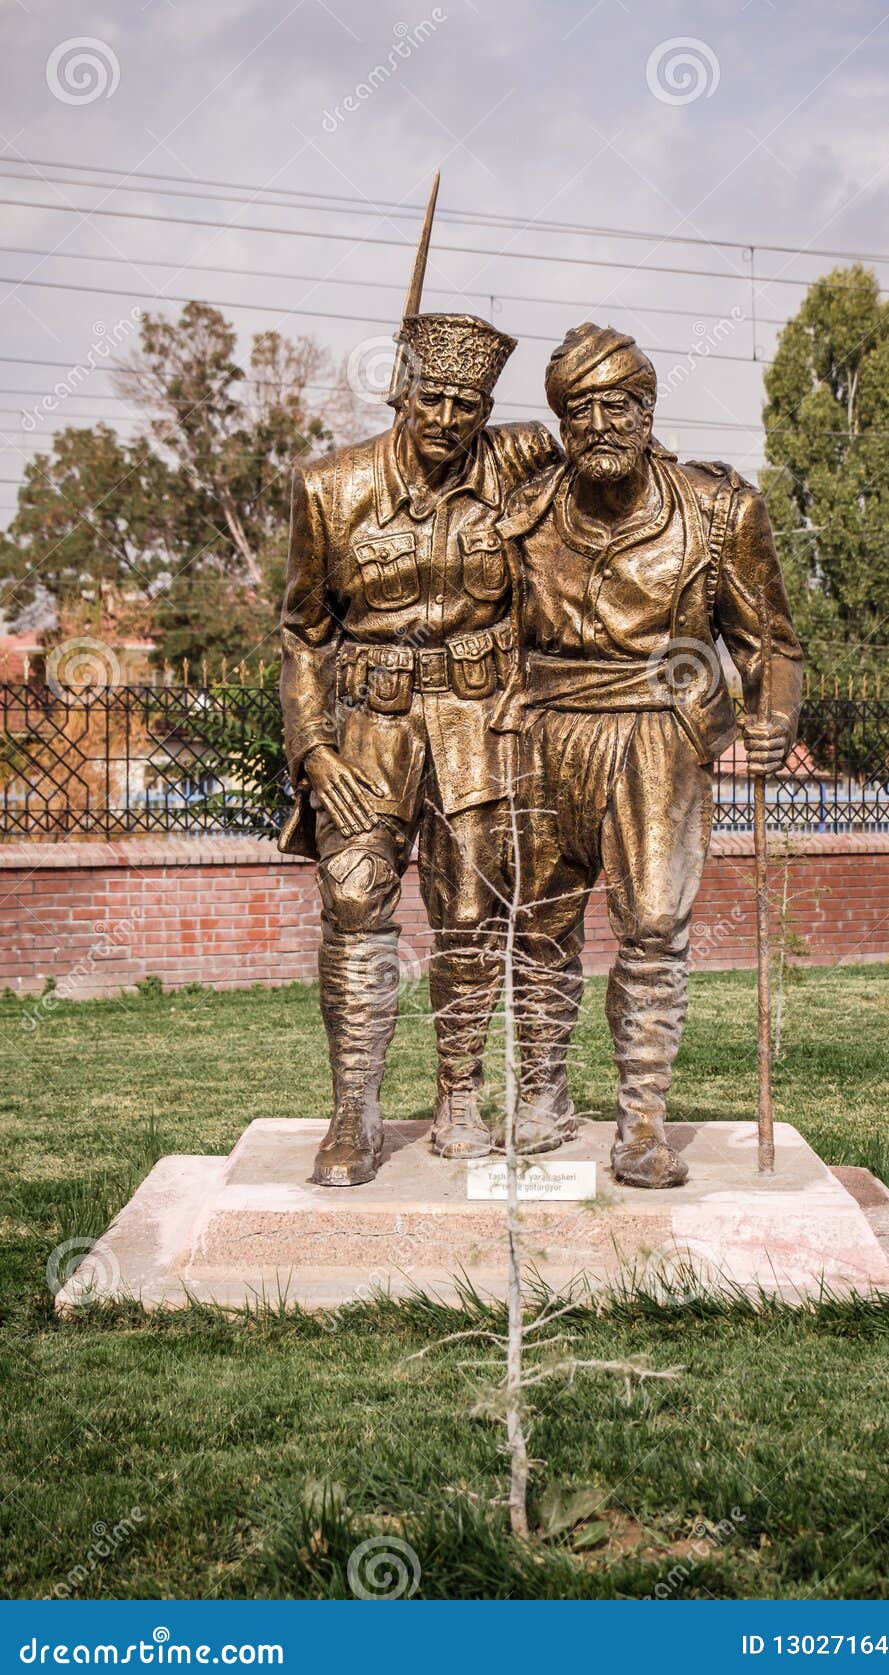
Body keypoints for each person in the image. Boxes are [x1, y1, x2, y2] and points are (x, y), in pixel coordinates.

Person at [493, 323, 803, 1188]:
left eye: (616, 405)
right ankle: (542, 1100)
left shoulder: (716, 510)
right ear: (559, 422)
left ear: (646, 410)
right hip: (544, 733)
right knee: (538, 925)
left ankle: (640, 1124)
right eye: (578, 408)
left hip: (660, 735)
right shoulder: (522, 512)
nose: (598, 423)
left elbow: (769, 644)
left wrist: (770, 712)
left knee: (655, 930)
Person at [279, 312, 559, 1185]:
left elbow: (598, 465)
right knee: (355, 902)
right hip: (368, 732)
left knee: (471, 917)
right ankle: (353, 1112)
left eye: (467, 403)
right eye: (431, 397)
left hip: (479, 726)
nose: (446, 417)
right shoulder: (330, 488)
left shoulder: (516, 465)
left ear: (485, 408)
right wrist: (314, 751)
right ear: (401, 391)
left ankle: (460, 1092)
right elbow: (301, 632)